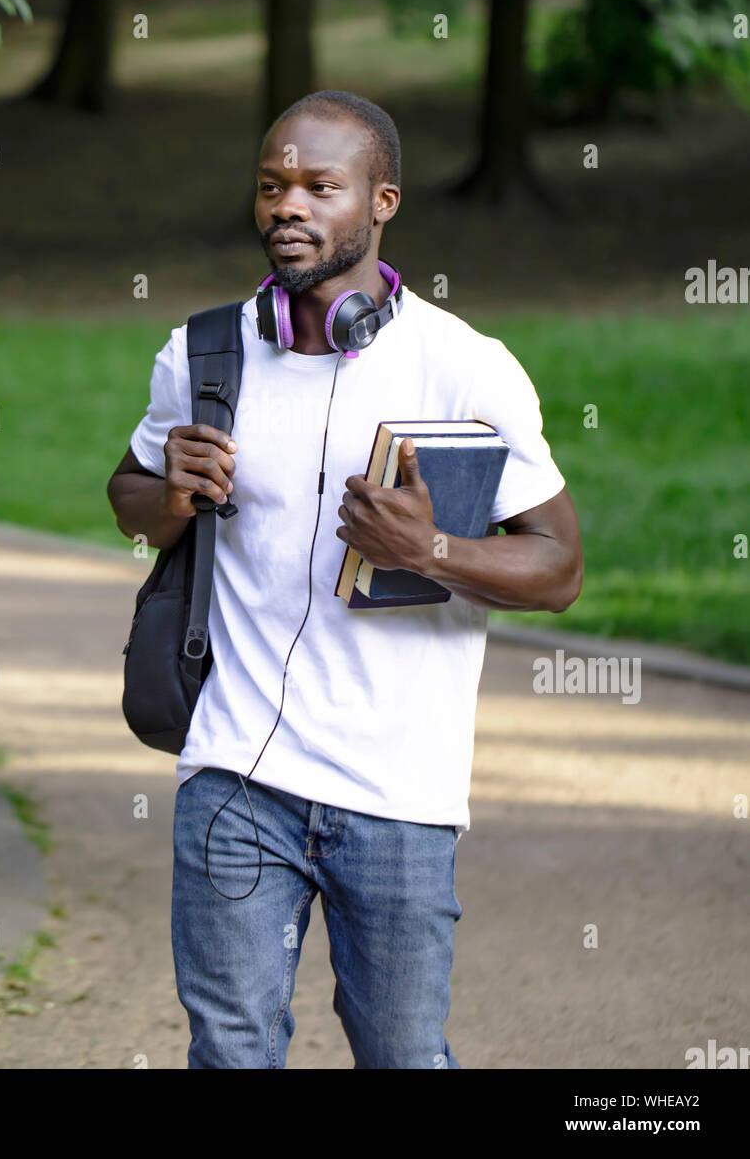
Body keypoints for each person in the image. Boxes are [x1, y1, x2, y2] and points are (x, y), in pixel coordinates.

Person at [107, 90, 584, 1069]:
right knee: (232, 1048)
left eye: (321, 186)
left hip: (397, 788)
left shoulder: (467, 368)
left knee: (402, 1053)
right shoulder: (204, 353)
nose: (290, 206)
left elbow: (559, 567)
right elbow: (128, 494)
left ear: (382, 203)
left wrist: (431, 551)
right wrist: (172, 496)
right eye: (272, 185)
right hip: (236, 771)